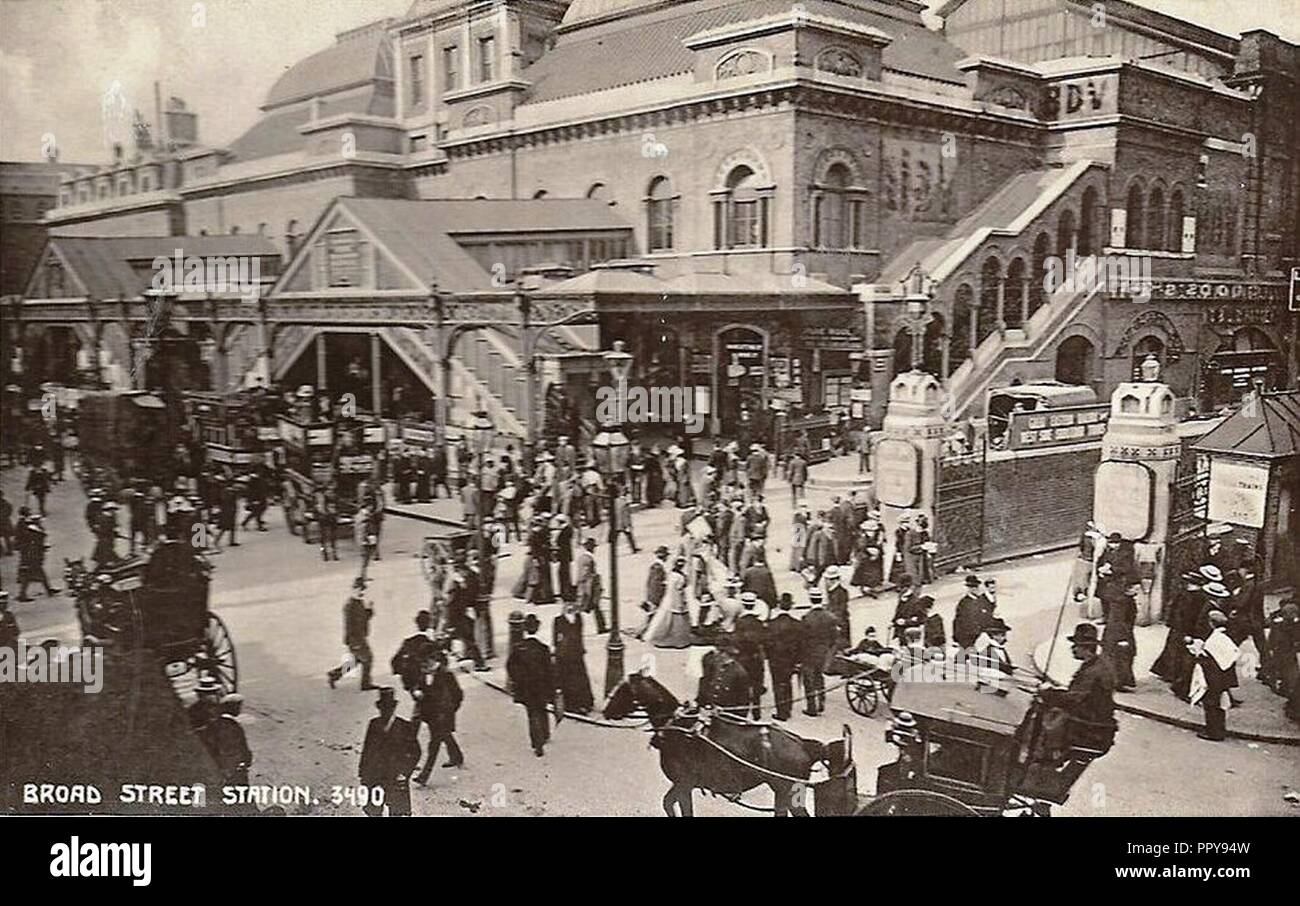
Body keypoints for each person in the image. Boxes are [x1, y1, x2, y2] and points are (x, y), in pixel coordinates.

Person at [1037, 623, 1117, 757]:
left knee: (1046, 715)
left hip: (1087, 720)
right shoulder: (1098, 664)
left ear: (1085, 648)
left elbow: (1074, 698)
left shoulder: (1092, 671)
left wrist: (1048, 694)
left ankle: (1044, 753)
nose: (1073, 649)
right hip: (1096, 716)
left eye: (1076, 646)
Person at [358, 687, 421, 816]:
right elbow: (367, 749)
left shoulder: (404, 726)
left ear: (393, 709)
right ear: (379, 709)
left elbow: (415, 752)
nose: (385, 712)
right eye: (383, 709)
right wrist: (363, 773)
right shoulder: (374, 724)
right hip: (376, 776)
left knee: (397, 811)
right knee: (373, 811)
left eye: (388, 708)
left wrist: (405, 772)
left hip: (396, 776)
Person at [506, 614, 555, 756]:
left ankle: (537, 742)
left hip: (526, 687)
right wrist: (551, 687)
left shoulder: (519, 648)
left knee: (532, 713)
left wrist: (518, 680)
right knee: (542, 709)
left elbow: (510, 666)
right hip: (541, 686)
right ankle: (545, 734)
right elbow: (550, 670)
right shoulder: (543, 648)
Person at [413, 653, 464, 782]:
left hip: (442, 714)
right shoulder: (424, 673)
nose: (423, 666)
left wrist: (450, 710)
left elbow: (458, 694)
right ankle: (457, 757)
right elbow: (418, 687)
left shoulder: (446, 675)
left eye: (425, 663)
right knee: (445, 735)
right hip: (430, 714)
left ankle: (424, 776)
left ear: (433, 660)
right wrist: (417, 693)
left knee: (434, 744)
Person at [1190, 610, 1239, 741]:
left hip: (1213, 677)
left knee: (1211, 704)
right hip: (1223, 677)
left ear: (1211, 624)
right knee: (1219, 704)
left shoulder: (1215, 639)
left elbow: (1210, 660)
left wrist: (1198, 653)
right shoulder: (1226, 636)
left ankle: (1213, 732)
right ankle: (1219, 729)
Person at [328, 579, 375, 690]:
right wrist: (353, 640)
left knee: (356, 661)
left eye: (363, 590)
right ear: (354, 590)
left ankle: (335, 674)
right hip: (356, 638)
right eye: (360, 590)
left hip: (359, 637)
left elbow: (362, 620)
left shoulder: (359, 603)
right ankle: (365, 684)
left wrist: (369, 612)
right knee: (368, 659)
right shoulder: (351, 606)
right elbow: (349, 624)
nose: (362, 593)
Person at [799, 588, 840, 716]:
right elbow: (834, 636)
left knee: (809, 679)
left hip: (809, 652)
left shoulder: (807, 617)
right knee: (819, 676)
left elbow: (802, 638)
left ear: (810, 599)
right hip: (823, 651)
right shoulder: (830, 617)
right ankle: (821, 702)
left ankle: (811, 707)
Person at [553, 600, 594, 715]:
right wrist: (557, 651)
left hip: (577, 652)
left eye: (572, 605)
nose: (570, 607)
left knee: (580, 678)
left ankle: (584, 702)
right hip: (564, 654)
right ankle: (571, 704)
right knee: (567, 678)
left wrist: (581, 648)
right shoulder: (558, 620)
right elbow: (556, 638)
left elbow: (579, 635)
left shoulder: (578, 618)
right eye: (567, 605)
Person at [765, 595, 801, 720]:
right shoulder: (797, 624)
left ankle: (781, 711)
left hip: (776, 660)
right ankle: (788, 708)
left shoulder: (772, 624)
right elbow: (800, 644)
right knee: (788, 683)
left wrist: (769, 656)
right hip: (790, 660)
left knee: (777, 685)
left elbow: (767, 643)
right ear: (791, 606)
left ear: (779, 605)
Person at [646, 556, 694, 649]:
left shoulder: (672, 574)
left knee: (667, 619)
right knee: (677, 621)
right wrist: (681, 603)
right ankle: (678, 641)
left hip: (670, 599)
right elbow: (678, 590)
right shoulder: (678, 576)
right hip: (677, 600)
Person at [733, 593, 767, 720]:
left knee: (743, 687)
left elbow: (737, 641)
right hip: (756, 658)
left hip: (743, 658)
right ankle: (756, 712)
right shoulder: (759, 623)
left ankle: (743, 712)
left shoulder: (740, 623)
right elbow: (764, 639)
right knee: (757, 685)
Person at [696, 637, 751, 712]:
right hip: (710, 711)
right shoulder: (714, 666)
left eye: (719, 652)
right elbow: (706, 686)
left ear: (725, 654)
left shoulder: (739, 673)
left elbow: (743, 700)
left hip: (726, 715)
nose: (715, 654)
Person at [1103, 578, 1140, 691]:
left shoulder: (1125, 600)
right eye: (1135, 588)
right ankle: (1118, 682)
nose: (1137, 590)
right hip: (1119, 633)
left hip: (1121, 632)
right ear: (1127, 588)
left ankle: (1118, 681)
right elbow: (1118, 620)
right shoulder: (1121, 602)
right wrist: (1121, 638)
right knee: (1120, 657)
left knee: (1122, 656)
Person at [391, 611, 439, 694]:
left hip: (411, 679)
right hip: (422, 679)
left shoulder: (408, 641)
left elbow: (395, 660)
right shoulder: (431, 642)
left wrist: (399, 672)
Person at [636, 545, 670, 640]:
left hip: (652, 595)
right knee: (652, 616)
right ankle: (642, 633)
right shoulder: (658, 567)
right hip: (656, 596)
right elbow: (656, 584)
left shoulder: (655, 566)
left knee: (652, 616)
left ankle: (642, 632)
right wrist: (658, 597)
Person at [575, 536, 607, 634]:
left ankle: (601, 626)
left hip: (586, 584)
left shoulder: (582, 558)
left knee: (592, 606)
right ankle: (600, 627)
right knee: (591, 605)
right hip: (590, 585)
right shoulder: (588, 559)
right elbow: (586, 574)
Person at [824, 566, 851, 649]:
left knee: (839, 645)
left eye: (827, 579)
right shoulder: (834, 591)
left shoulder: (839, 593)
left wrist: (835, 623)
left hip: (839, 623)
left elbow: (839, 610)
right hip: (838, 621)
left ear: (832, 580)